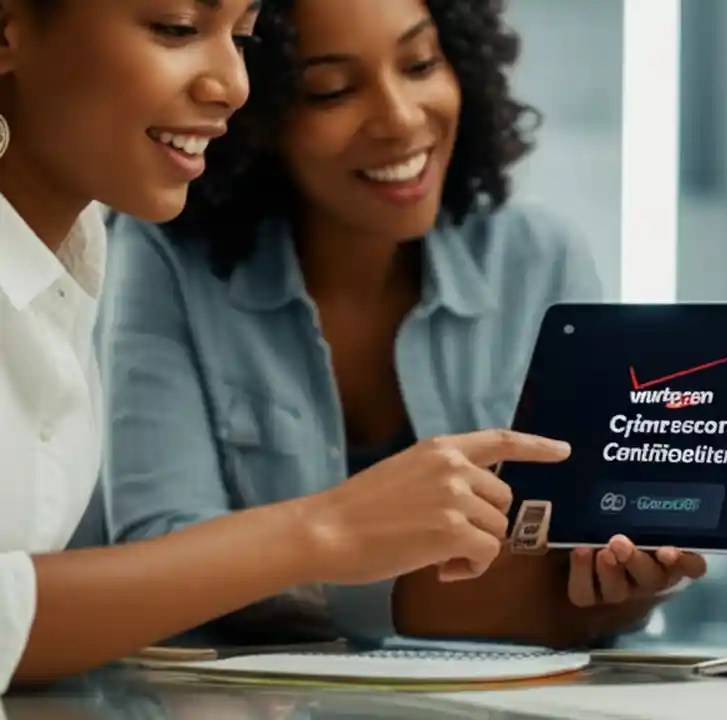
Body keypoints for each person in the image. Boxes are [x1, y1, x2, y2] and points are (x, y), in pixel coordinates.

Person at [0, 0, 575, 694]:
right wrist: (328, 530)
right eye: (179, 28)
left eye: (242, 37)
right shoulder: (153, 253)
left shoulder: (72, 256)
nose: (235, 85)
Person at [99, 0, 706, 649]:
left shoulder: (538, 258)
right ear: (254, 116)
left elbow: (582, 548)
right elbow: (159, 554)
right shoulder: (163, 254)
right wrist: (484, 594)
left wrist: (619, 587)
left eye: (421, 64)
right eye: (330, 91)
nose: (400, 117)